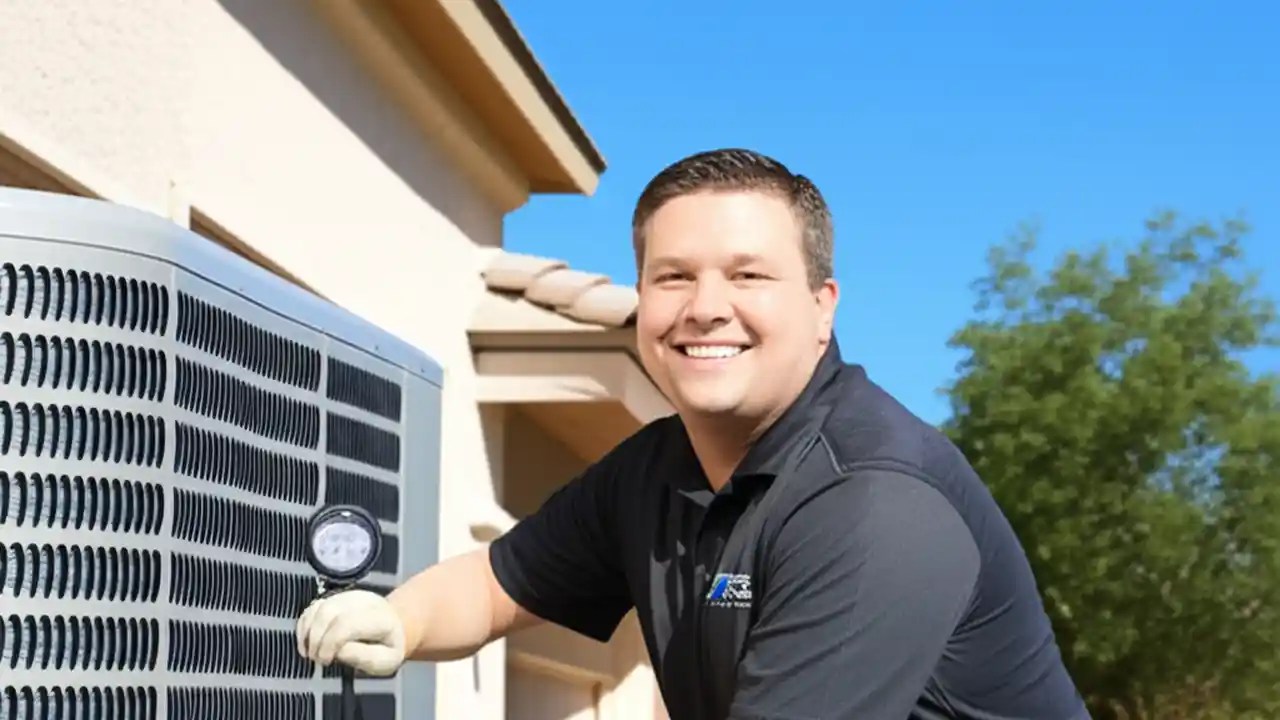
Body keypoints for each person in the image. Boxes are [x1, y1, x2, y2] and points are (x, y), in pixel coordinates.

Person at [296, 148, 1091, 719]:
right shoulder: (654, 469)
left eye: (748, 275)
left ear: (823, 306)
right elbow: (497, 585)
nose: (705, 306)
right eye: (673, 276)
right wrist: (401, 620)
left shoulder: (874, 503)